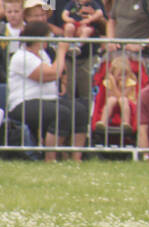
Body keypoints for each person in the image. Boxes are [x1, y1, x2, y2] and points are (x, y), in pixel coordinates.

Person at [5, 20, 87, 161]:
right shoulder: (21, 56)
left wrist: (61, 61)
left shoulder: (42, 54)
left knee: (79, 109)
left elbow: (57, 71)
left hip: (48, 99)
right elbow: (50, 75)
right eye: (47, 36)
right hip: (23, 102)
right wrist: (61, 52)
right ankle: (50, 158)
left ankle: (76, 158)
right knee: (62, 113)